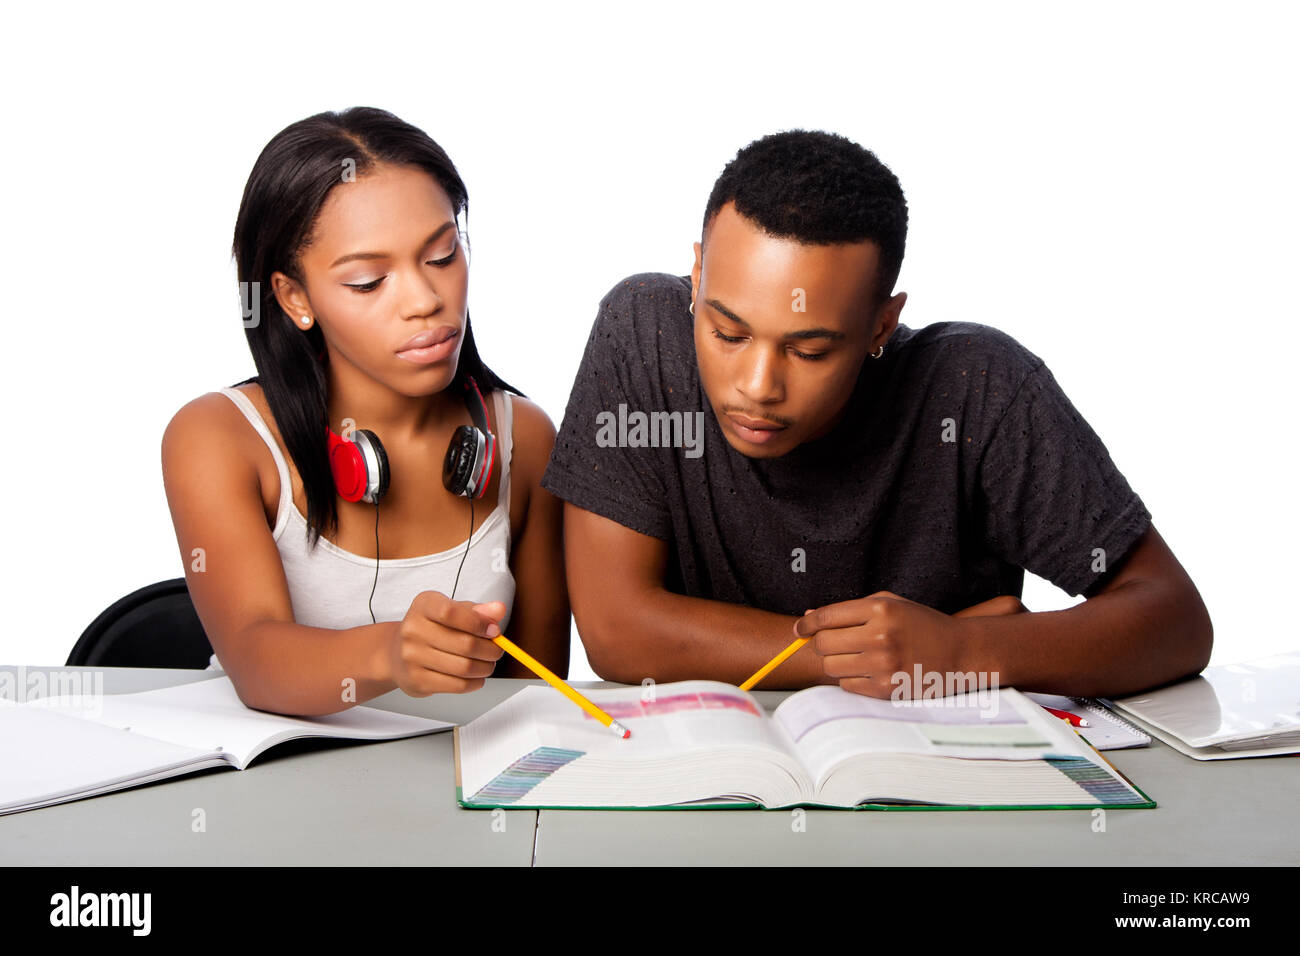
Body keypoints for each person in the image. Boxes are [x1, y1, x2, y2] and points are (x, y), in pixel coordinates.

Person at [541, 129, 1212, 700]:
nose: (757, 385)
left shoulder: (977, 388)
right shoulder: (644, 334)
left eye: (809, 350)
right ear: (698, 277)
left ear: (880, 324)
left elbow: (1176, 618)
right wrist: (884, 663)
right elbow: (618, 631)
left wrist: (963, 652)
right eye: (728, 332)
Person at [162, 107, 569, 717]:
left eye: (441, 256)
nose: (426, 300)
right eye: (369, 281)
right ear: (294, 297)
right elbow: (254, 656)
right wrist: (391, 654)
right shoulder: (217, 438)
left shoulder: (525, 437)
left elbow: (535, 697)